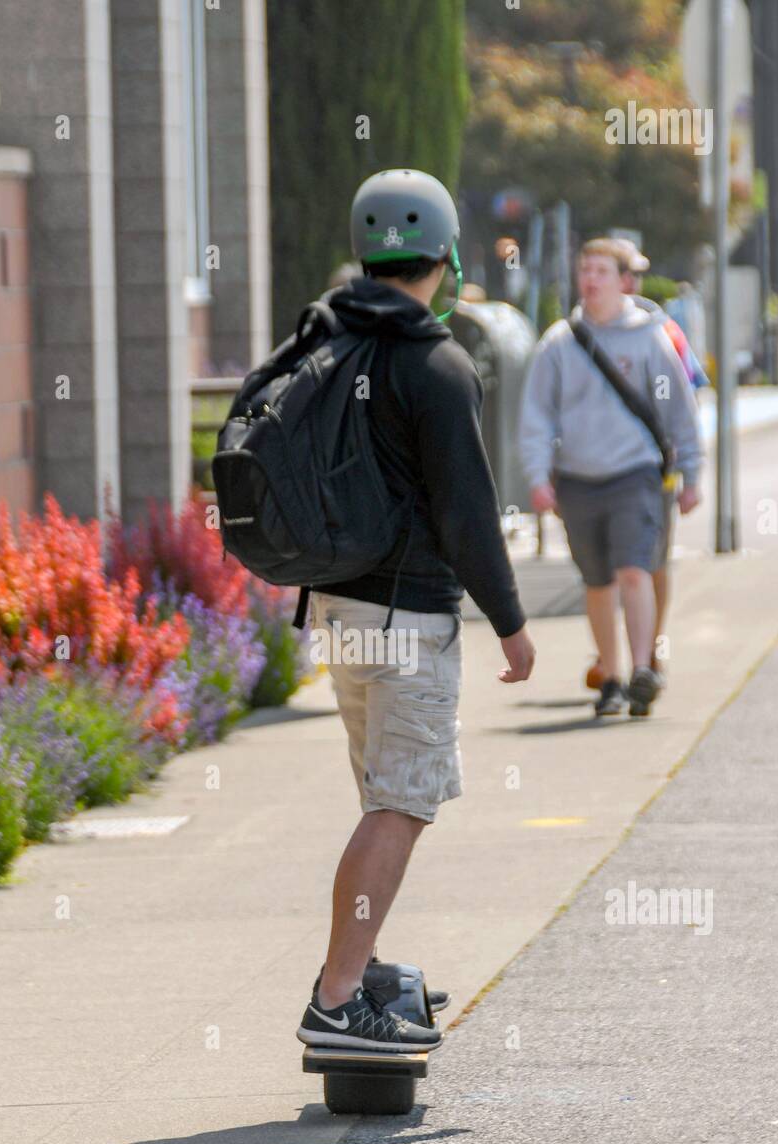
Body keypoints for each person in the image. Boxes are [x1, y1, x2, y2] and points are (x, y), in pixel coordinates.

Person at [297, 168, 535, 1053]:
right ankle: (338, 997)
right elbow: (466, 512)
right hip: (407, 615)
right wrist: (509, 621)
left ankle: (355, 971)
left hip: (338, 605)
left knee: (383, 795)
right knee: (401, 804)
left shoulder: (326, 345)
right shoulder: (436, 363)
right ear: (444, 255)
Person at [518, 237, 703, 718]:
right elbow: (537, 413)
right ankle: (612, 676)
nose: (590, 279)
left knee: (634, 570)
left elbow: (680, 409)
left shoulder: (650, 337)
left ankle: (642, 669)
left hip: (635, 474)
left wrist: (692, 473)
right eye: (585, 270)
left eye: (601, 270)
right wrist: (538, 476)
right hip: (578, 479)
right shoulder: (560, 342)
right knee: (597, 582)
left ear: (622, 280)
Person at [583, 241, 705, 692]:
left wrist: (689, 469)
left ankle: (648, 651)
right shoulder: (580, 332)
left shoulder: (663, 332)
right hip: (595, 472)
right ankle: (615, 656)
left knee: (647, 564)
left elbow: (688, 400)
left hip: (652, 471)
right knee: (609, 568)